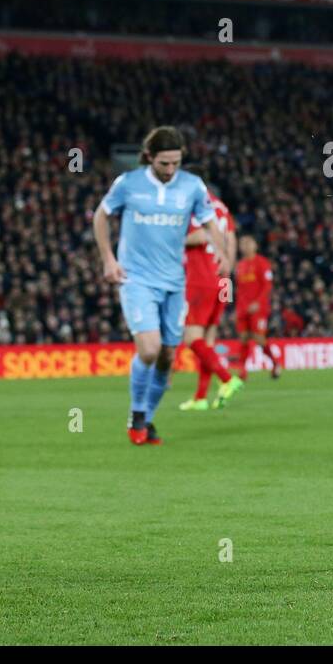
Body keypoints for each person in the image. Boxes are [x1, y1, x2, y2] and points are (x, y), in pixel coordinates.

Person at [93, 126, 230, 446]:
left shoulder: (192, 186)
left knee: (168, 356)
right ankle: (137, 414)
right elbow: (100, 216)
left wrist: (221, 251)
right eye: (164, 164)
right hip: (137, 279)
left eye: (176, 163)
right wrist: (108, 260)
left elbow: (210, 221)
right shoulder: (129, 184)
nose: (170, 170)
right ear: (149, 157)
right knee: (150, 349)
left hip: (174, 281)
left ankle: (147, 420)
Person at [177, 169, 239, 411]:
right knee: (208, 340)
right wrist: (227, 272)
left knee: (192, 339)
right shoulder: (222, 207)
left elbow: (200, 235)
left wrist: (167, 241)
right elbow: (231, 241)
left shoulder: (195, 205)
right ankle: (201, 397)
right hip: (221, 277)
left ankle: (227, 378)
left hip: (200, 277)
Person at [231, 233, 281, 385]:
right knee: (244, 338)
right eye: (242, 243)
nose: (245, 245)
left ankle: (275, 363)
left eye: (248, 242)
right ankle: (243, 372)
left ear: (255, 245)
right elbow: (238, 289)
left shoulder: (262, 263)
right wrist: (235, 308)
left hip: (258, 308)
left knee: (259, 338)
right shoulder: (239, 266)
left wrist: (258, 303)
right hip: (242, 308)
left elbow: (267, 286)